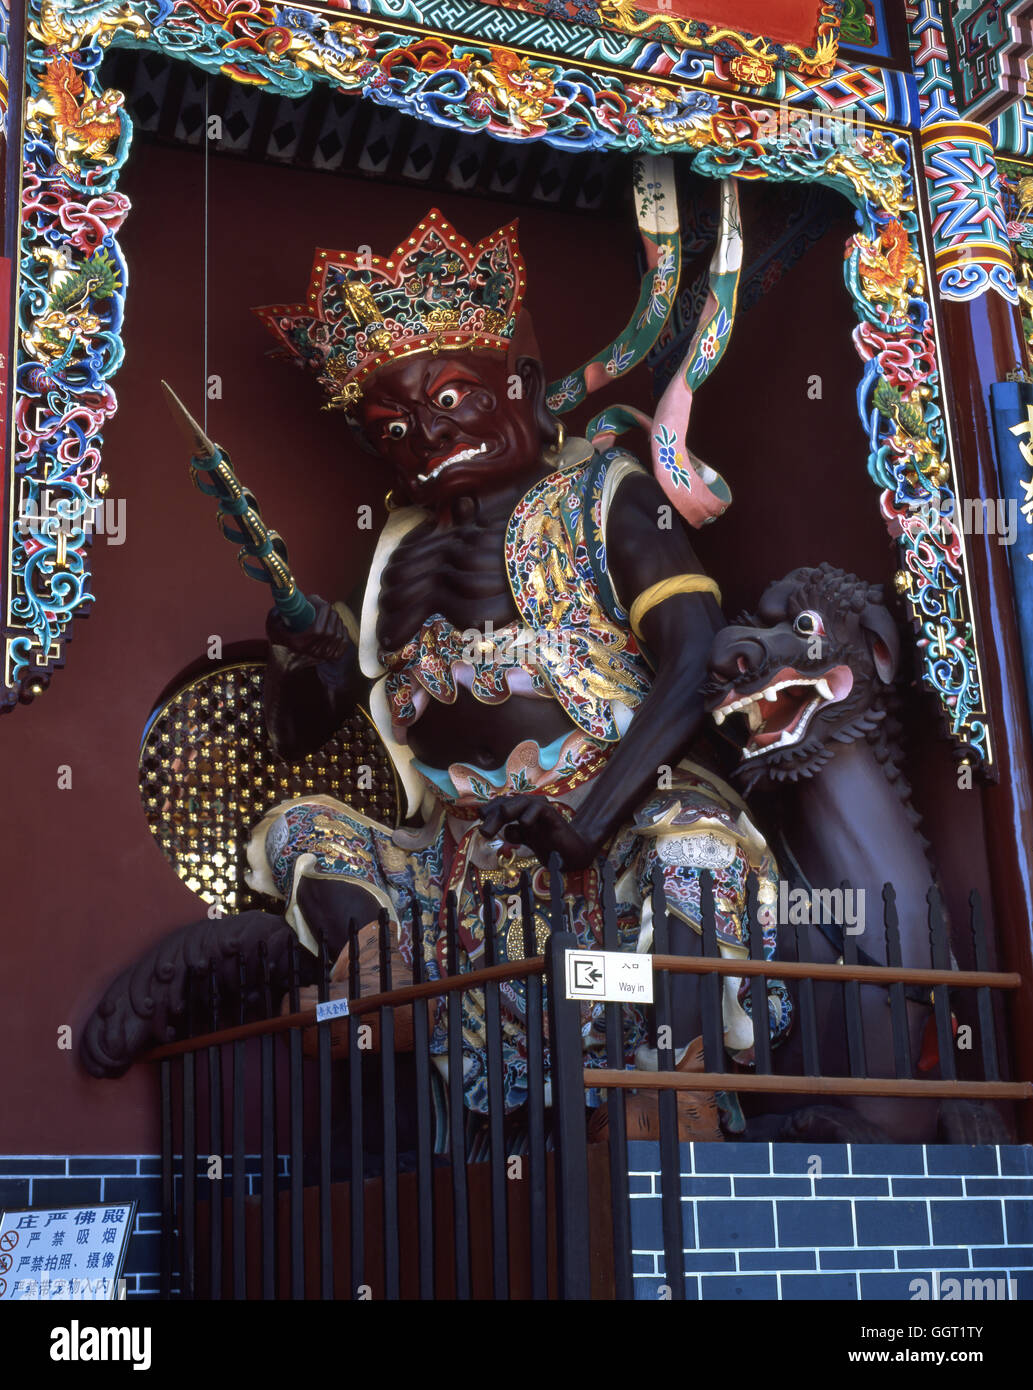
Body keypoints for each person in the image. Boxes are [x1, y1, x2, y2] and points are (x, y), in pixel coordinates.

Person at [245, 209, 790, 1119]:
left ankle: (675, 1074)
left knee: (694, 849)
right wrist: (317, 660)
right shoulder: (397, 555)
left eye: (449, 399)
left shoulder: (602, 499)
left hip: (615, 820)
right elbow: (300, 734)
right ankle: (388, 988)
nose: (423, 433)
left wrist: (593, 819)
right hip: (462, 856)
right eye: (392, 427)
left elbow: (693, 657)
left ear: (523, 385)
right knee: (296, 828)